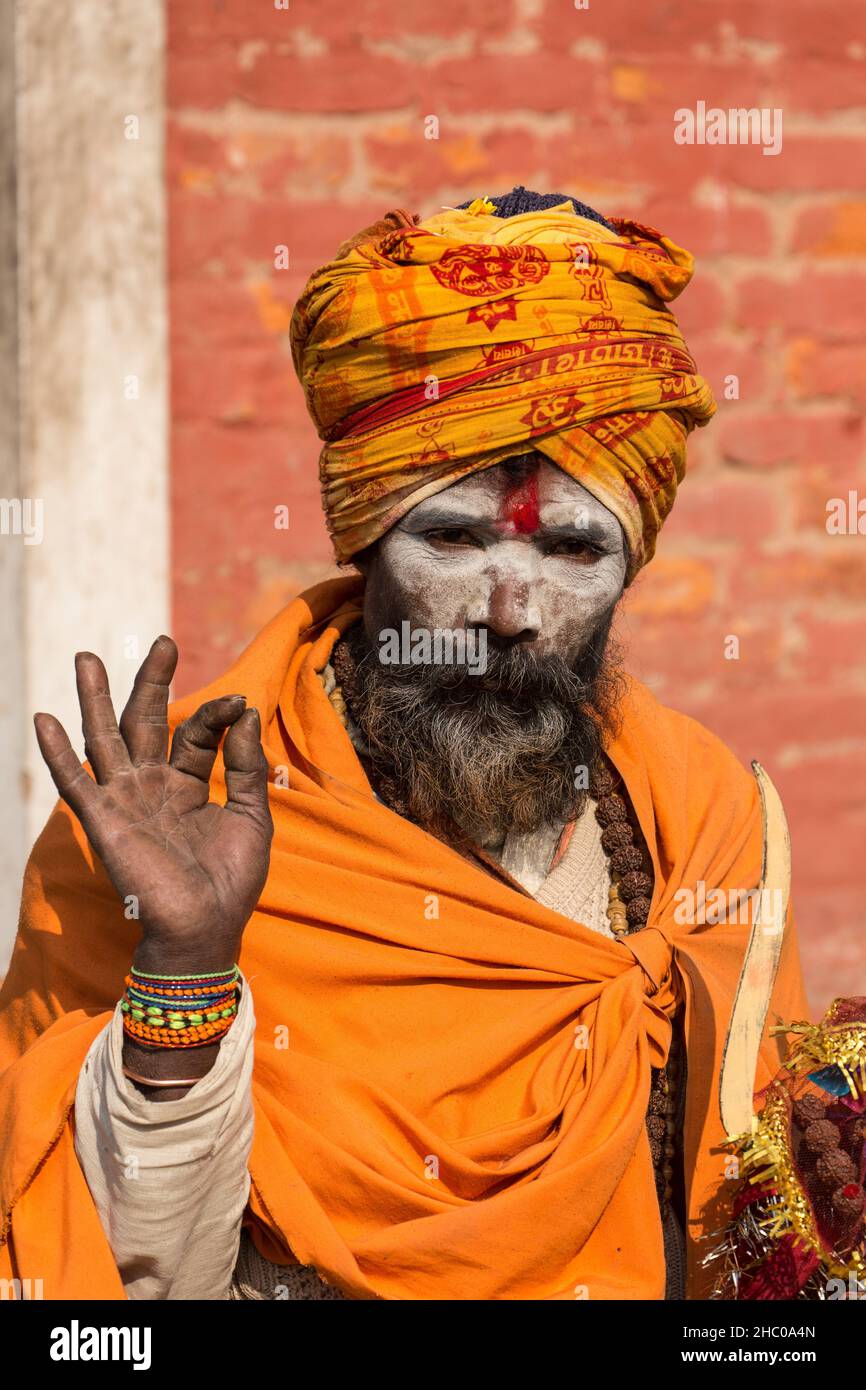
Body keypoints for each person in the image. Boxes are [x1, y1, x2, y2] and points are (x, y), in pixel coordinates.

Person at [0, 188, 810, 1301]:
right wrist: (183, 972)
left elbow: (766, 1254)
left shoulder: (702, 823)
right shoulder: (162, 841)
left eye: (573, 551)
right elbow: (110, 1280)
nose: (508, 611)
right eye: (450, 538)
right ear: (365, 535)